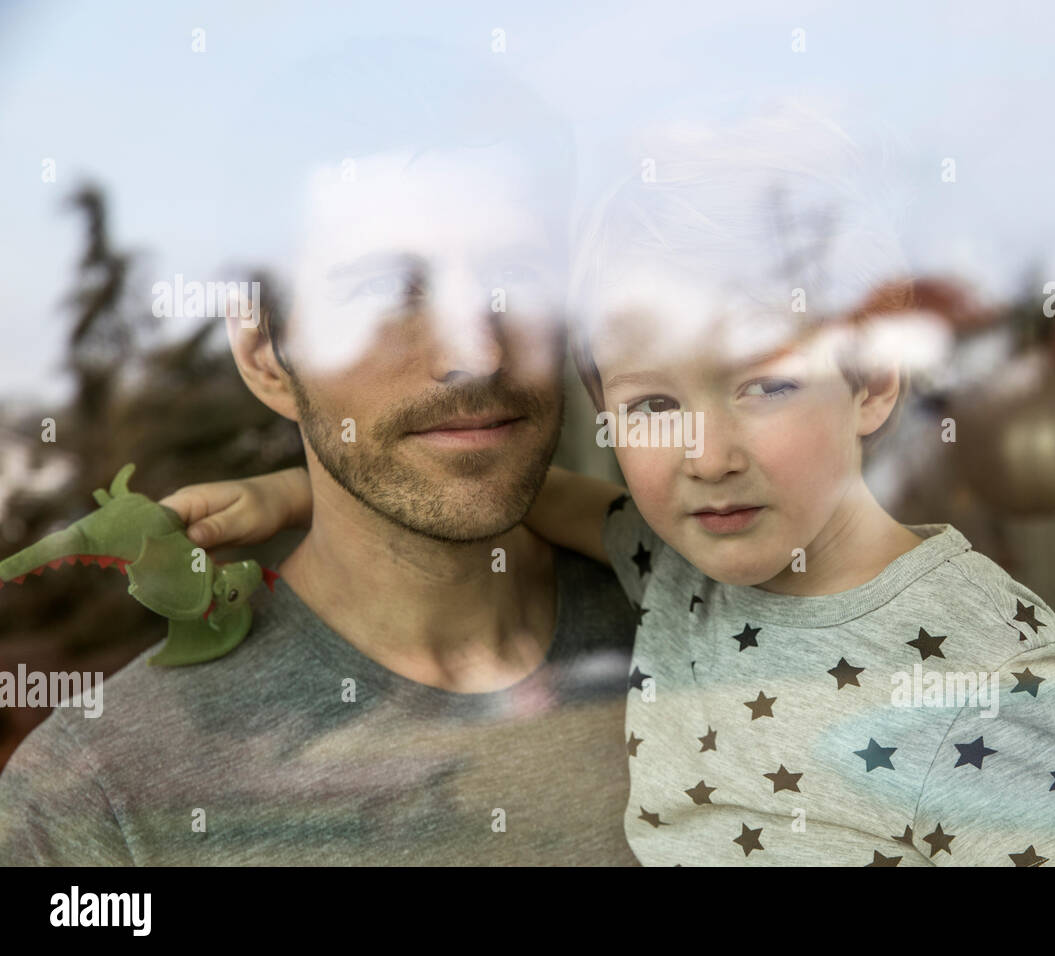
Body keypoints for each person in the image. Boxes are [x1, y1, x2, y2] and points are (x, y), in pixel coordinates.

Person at [164, 103, 1055, 866]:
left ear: (870, 381)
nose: (708, 452)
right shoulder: (682, 557)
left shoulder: (972, 656)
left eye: (764, 383)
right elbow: (517, 491)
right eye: (656, 404)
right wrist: (289, 492)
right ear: (604, 403)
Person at [0, 42, 640, 866]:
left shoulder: (729, 637)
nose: (475, 349)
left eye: (517, 276)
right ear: (266, 351)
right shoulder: (96, 804)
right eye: (385, 291)